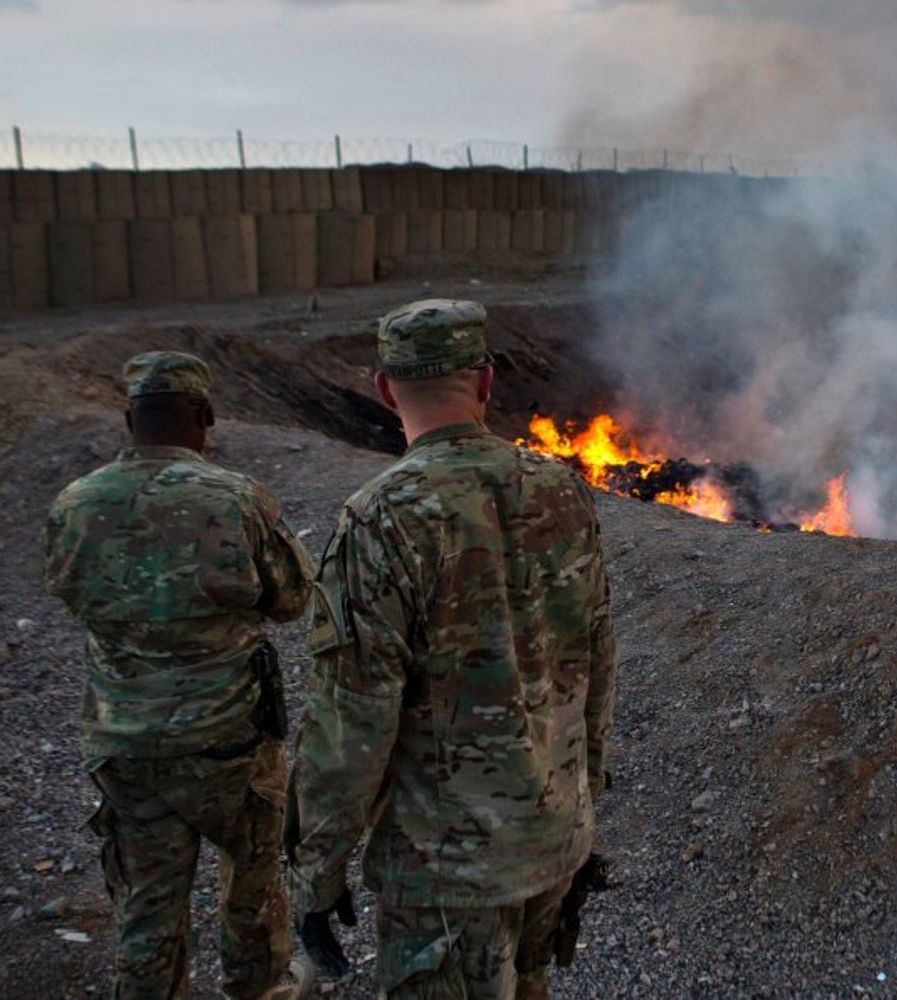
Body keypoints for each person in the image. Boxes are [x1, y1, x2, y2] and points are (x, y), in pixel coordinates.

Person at [285, 299, 617, 999]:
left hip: (446, 870)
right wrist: (583, 814)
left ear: (384, 388)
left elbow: (352, 719)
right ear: (487, 383)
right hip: (553, 839)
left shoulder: (380, 519)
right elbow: (596, 665)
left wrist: (319, 871)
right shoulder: (564, 493)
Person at [42, 351, 315, 1000]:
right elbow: (294, 598)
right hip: (227, 746)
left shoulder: (76, 503)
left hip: (125, 745)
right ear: (204, 417)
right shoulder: (235, 499)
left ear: (129, 418)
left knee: (145, 904)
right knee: (253, 883)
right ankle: (261, 987)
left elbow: (68, 590)